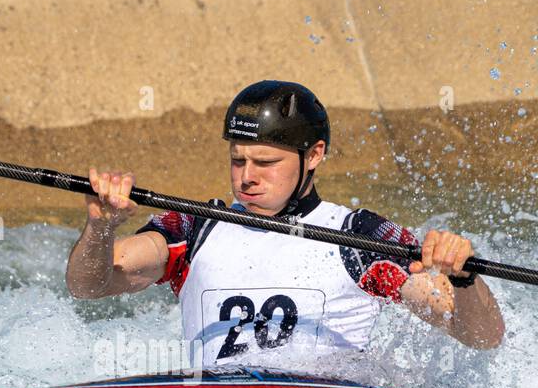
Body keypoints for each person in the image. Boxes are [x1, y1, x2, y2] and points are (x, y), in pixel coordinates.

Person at [65, 80, 504, 366]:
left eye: (266, 162)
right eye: (237, 160)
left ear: (313, 155)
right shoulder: (194, 228)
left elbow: (481, 336)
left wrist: (464, 280)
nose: (246, 177)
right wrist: (101, 227)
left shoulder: (358, 237)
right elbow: (89, 285)